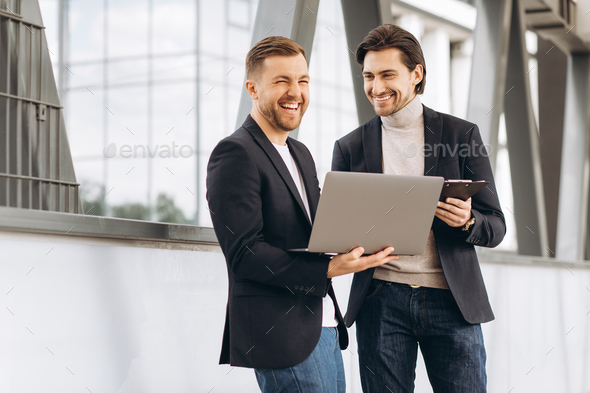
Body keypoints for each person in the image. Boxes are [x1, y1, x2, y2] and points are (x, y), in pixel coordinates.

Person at [206, 36, 397, 393]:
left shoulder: (300, 153)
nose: (295, 92)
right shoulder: (234, 153)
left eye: (303, 81)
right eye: (281, 81)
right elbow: (245, 254)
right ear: (252, 88)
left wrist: (376, 230)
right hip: (279, 334)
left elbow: (322, 226)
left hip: (321, 325)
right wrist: (327, 268)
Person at [332, 24, 506, 393]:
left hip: (452, 300)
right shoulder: (349, 148)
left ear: (416, 74)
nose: (376, 87)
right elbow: (340, 227)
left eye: (387, 75)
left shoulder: (461, 136)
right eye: (368, 76)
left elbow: (497, 226)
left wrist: (469, 221)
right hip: (380, 300)